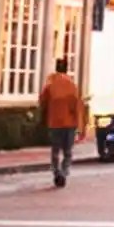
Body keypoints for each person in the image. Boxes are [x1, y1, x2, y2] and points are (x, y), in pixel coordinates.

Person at [40, 58, 84, 188]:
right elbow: (77, 107)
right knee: (68, 151)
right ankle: (64, 173)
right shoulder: (72, 85)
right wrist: (80, 126)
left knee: (55, 150)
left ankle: (56, 172)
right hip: (69, 123)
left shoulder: (50, 84)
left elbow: (43, 101)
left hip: (54, 122)